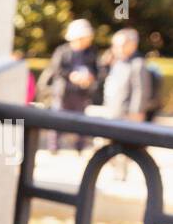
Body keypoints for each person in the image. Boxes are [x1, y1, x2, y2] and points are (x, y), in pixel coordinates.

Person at [97, 28, 154, 181]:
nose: (116, 48)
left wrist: (137, 111)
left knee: (126, 145)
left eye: (121, 45)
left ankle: (121, 173)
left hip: (128, 113)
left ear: (132, 45)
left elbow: (141, 90)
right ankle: (112, 169)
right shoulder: (116, 63)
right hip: (113, 111)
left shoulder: (138, 64)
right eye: (114, 45)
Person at [38, 18, 100, 153]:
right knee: (58, 119)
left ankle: (80, 146)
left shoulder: (91, 52)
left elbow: (97, 70)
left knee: (80, 120)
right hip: (63, 92)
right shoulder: (62, 51)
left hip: (82, 93)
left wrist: (89, 78)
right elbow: (56, 69)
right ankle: (54, 146)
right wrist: (71, 75)